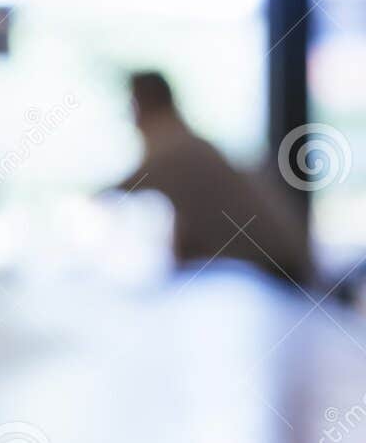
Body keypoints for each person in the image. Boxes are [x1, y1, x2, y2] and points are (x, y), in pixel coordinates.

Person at [110, 71, 313, 287]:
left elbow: (123, 188)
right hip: (264, 271)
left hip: (275, 274)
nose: (131, 118)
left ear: (144, 104)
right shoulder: (185, 143)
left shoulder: (177, 147)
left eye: (132, 105)